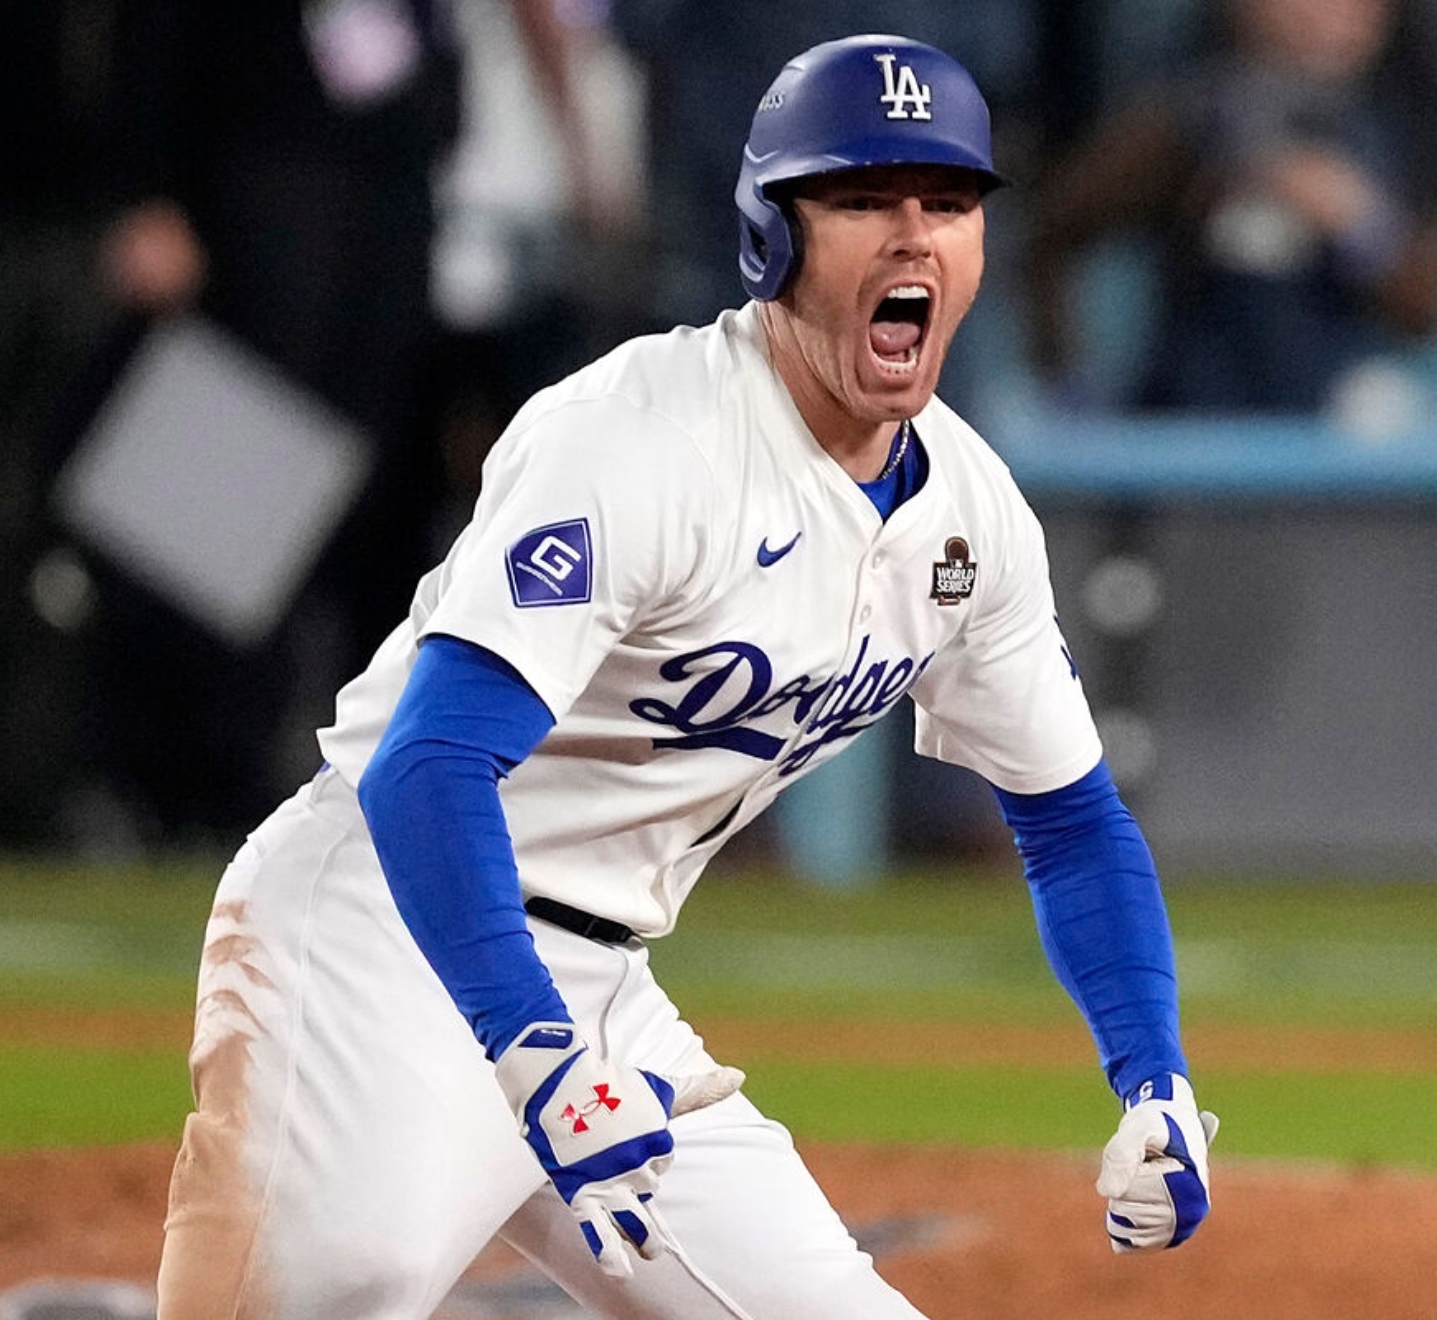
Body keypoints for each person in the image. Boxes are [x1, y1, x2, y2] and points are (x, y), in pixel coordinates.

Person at [155, 34, 1215, 1319]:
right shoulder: (645, 438)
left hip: (602, 992)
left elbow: (1073, 822)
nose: (914, 238)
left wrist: (1153, 1078)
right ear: (771, 238)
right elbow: (430, 765)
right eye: (864, 200)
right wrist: (535, 1059)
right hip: (387, 934)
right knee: (337, 1287)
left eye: (947, 204)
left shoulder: (971, 515)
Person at [1028, 0, 1437, 411]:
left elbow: (1431, 309)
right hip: (1190, 439)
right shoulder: (1183, 124)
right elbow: (1050, 239)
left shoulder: (1408, 132)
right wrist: (1071, 382)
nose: (1329, 15)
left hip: (1341, 444)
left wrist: (1359, 224)